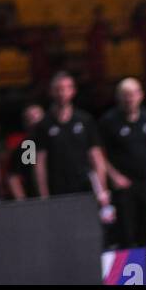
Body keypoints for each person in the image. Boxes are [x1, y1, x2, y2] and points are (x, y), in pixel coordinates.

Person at [98, 77, 146, 250]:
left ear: (141, 95)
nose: (130, 99)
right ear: (118, 97)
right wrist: (114, 176)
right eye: (125, 95)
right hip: (124, 186)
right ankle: (134, 276)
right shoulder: (108, 121)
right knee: (128, 233)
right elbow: (100, 155)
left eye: (134, 94)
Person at [34, 72, 109, 204]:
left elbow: (96, 157)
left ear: (73, 91)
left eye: (66, 88)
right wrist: (43, 196)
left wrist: (102, 190)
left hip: (85, 187)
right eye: (58, 89)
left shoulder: (85, 120)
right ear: (51, 92)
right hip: (57, 191)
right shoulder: (43, 125)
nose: (62, 93)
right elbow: (39, 163)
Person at [5, 104, 44, 200]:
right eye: (30, 118)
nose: (35, 120)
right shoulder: (28, 146)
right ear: (25, 123)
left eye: (37, 116)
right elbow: (13, 175)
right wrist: (22, 200)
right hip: (36, 198)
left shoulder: (55, 139)